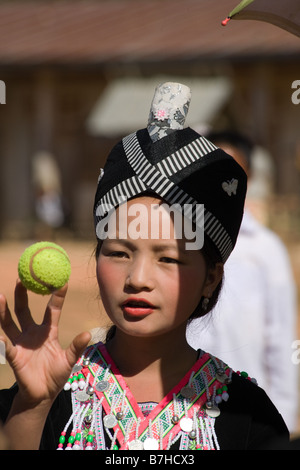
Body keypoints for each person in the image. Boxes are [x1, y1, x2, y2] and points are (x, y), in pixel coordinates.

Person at [0, 83, 289, 450]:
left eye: (167, 258)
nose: (137, 279)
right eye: (119, 253)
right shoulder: (45, 395)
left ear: (210, 277)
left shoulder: (249, 418)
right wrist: (34, 406)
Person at [186, 131, 298, 433]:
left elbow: (280, 336)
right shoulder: (179, 242)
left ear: (247, 174)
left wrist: (281, 419)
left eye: (230, 167)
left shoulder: (266, 248)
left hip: (244, 413)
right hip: (183, 407)